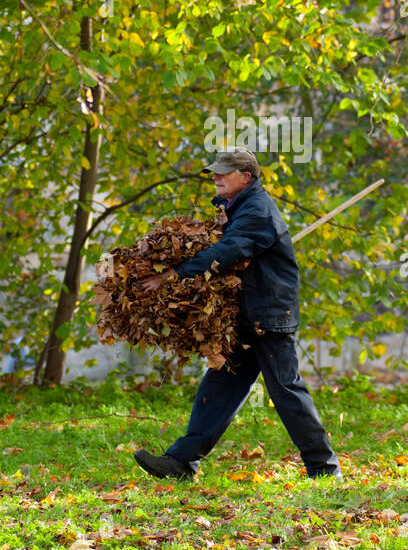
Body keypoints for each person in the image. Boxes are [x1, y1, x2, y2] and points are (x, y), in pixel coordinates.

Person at [132, 149, 342, 481]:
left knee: (285, 389)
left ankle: (325, 468)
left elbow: (230, 251)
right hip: (247, 314)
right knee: (220, 386)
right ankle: (181, 462)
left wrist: (175, 273)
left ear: (245, 177)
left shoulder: (257, 211)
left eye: (223, 172)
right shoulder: (239, 208)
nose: (215, 176)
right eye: (215, 171)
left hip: (267, 315)